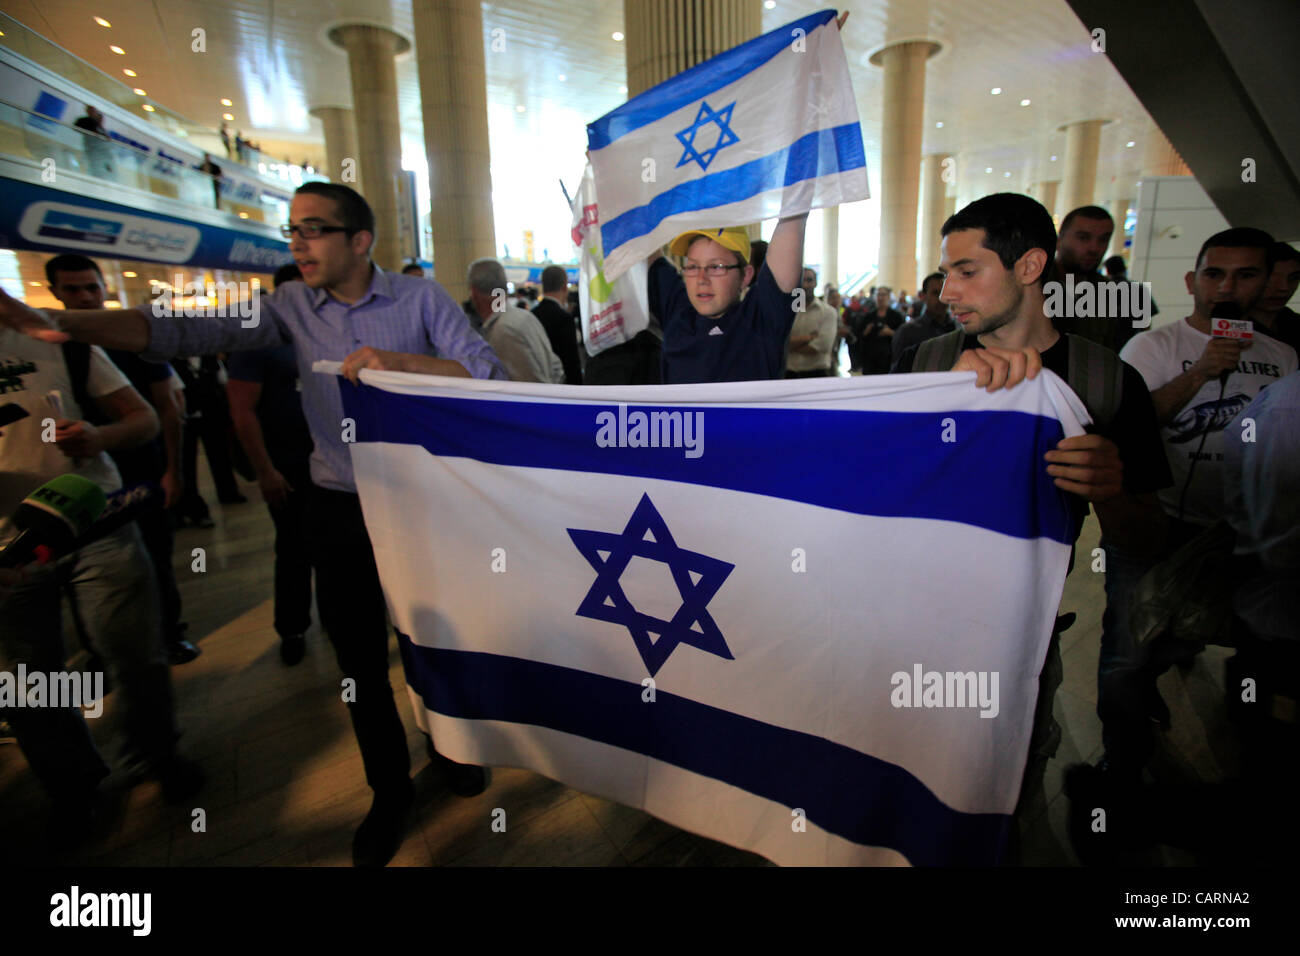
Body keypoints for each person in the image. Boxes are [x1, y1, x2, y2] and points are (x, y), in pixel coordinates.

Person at [0, 181, 507, 868]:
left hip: (425, 507)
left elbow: (484, 372)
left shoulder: (421, 301)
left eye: (314, 229)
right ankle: (388, 791)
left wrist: (402, 365)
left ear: (360, 241)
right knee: (358, 659)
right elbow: (178, 329)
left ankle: (453, 747)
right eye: (292, 229)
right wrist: (57, 325)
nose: (297, 242)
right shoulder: (288, 306)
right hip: (336, 504)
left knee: (436, 642)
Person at [893, 193, 1171, 852]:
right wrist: (937, 404)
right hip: (910, 619)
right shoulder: (928, 364)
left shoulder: (1106, 382)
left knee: (1007, 783)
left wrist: (1111, 489)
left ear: (1029, 266)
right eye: (946, 273)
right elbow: (876, 494)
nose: (947, 291)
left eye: (967, 271)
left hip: (1024, 633)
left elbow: (1146, 538)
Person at [0, 290, 204, 847]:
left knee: (136, 653)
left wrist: (98, 437)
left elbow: (144, 419)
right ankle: (73, 788)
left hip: (96, 521)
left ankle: (159, 754)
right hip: (8, 553)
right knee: (28, 681)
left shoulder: (53, 341)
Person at [45, 254, 198, 666]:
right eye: (72, 289)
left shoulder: (134, 340)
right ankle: (102, 650)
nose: (84, 297)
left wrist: (173, 470)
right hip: (80, 482)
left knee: (154, 555)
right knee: (85, 572)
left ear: (104, 288)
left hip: (138, 467)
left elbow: (167, 409)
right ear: (54, 293)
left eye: (91, 287)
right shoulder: (53, 349)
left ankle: (168, 633)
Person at [226, 264, 316, 666]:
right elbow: (242, 411)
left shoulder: (322, 333)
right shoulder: (258, 339)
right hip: (286, 464)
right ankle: (292, 628)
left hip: (329, 461)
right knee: (294, 548)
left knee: (337, 547)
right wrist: (264, 470)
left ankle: (337, 618)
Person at [649, 218, 806, 384]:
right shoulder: (678, 314)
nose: (701, 279)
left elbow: (793, 219)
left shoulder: (760, 320)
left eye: (716, 267)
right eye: (693, 267)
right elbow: (644, 237)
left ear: (745, 275)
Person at [1053, 206, 1156, 353]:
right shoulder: (1032, 285)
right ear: (1059, 240)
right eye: (1083, 238)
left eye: (1103, 239)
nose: (1094, 248)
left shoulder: (1115, 295)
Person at [467, 259, 564, 383]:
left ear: (474, 292)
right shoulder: (524, 316)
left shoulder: (503, 330)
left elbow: (525, 388)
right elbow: (556, 367)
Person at [1246, 241, 1300, 357]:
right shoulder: (1227, 326)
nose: (1284, 287)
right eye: (1270, 278)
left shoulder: (1295, 325)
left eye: (1294, 278)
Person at [890, 272, 954, 367]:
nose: (941, 298)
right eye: (935, 293)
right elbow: (897, 370)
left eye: (944, 292)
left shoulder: (958, 329)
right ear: (923, 296)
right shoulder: (907, 332)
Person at [533, 265, 583, 385]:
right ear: (565, 286)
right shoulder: (564, 318)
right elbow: (571, 362)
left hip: (538, 383)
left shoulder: (532, 315)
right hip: (562, 386)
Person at [786, 267, 837, 378]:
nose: (805, 285)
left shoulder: (828, 312)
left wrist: (789, 346)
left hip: (817, 373)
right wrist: (808, 338)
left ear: (815, 283)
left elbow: (823, 345)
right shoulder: (786, 312)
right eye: (801, 280)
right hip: (789, 374)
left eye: (809, 280)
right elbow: (779, 342)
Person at [860, 285, 904, 375]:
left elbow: (902, 337)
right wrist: (867, 331)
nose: (880, 298)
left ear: (888, 297)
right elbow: (860, 336)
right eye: (878, 295)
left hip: (888, 357)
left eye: (883, 295)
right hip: (870, 358)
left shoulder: (896, 316)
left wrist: (891, 332)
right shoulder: (868, 316)